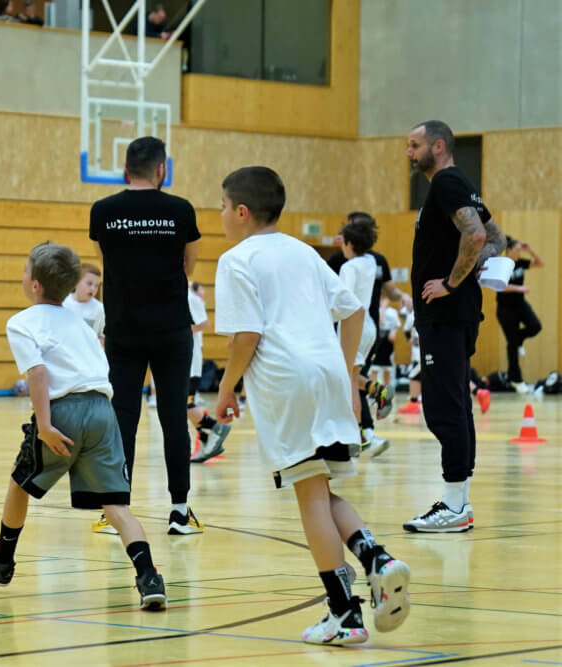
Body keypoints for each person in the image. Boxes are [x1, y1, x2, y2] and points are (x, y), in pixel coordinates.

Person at [213, 166, 411, 645]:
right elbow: (354, 310)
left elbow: (247, 336)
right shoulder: (303, 251)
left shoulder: (236, 259)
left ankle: (344, 613)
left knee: (309, 497)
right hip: (326, 373)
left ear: (241, 212)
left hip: (286, 380)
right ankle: (376, 557)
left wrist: (226, 388)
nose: (220, 215)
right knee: (319, 489)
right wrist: (347, 374)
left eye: (222, 207)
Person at [0, 242, 168, 611]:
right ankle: (149, 577)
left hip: (65, 410)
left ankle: (2, 558)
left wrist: (44, 424)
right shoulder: (80, 323)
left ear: (35, 285)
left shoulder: (22, 322)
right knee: (116, 507)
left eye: (25, 271)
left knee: (20, 482)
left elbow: (37, 373)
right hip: (103, 410)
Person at [89, 136, 203, 536]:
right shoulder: (181, 210)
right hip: (172, 328)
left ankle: (115, 510)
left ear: (125, 170)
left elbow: (106, 258)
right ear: (162, 169)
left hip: (123, 329)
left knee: (122, 418)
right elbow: (189, 266)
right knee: (174, 417)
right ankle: (179, 511)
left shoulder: (103, 210)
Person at [403, 120, 505, 533]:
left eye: (414, 145)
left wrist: (450, 283)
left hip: (445, 315)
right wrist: (475, 268)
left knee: (444, 408)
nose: (409, 153)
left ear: (438, 146)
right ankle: (458, 500)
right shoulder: (462, 184)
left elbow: (477, 237)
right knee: (457, 404)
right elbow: (497, 240)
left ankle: (455, 506)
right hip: (456, 315)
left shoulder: (446, 183)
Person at [326, 213, 409, 453]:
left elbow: (342, 301)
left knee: (347, 382)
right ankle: (365, 417)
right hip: (370, 325)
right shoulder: (371, 262)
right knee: (352, 378)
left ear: (350, 243)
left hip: (352, 326)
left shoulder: (348, 267)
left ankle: (355, 434)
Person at [187, 282, 230, 463]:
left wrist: (178, 331)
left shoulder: (190, 298)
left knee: (184, 404)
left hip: (190, 360)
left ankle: (215, 428)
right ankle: (206, 440)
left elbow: (204, 323)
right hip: (180, 359)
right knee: (182, 405)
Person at [496, 236, 543, 392]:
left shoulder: (520, 262)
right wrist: (519, 288)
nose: (519, 252)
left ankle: (519, 339)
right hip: (505, 309)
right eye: (517, 250)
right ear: (509, 250)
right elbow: (500, 286)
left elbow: (539, 263)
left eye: (519, 250)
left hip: (520, 305)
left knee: (535, 326)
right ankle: (516, 379)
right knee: (512, 344)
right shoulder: (502, 265)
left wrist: (530, 250)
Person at [62, 263, 105, 341]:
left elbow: (102, 336)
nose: (93, 288)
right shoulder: (63, 303)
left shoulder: (100, 308)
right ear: (76, 282)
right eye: (89, 284)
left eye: (96, 285)